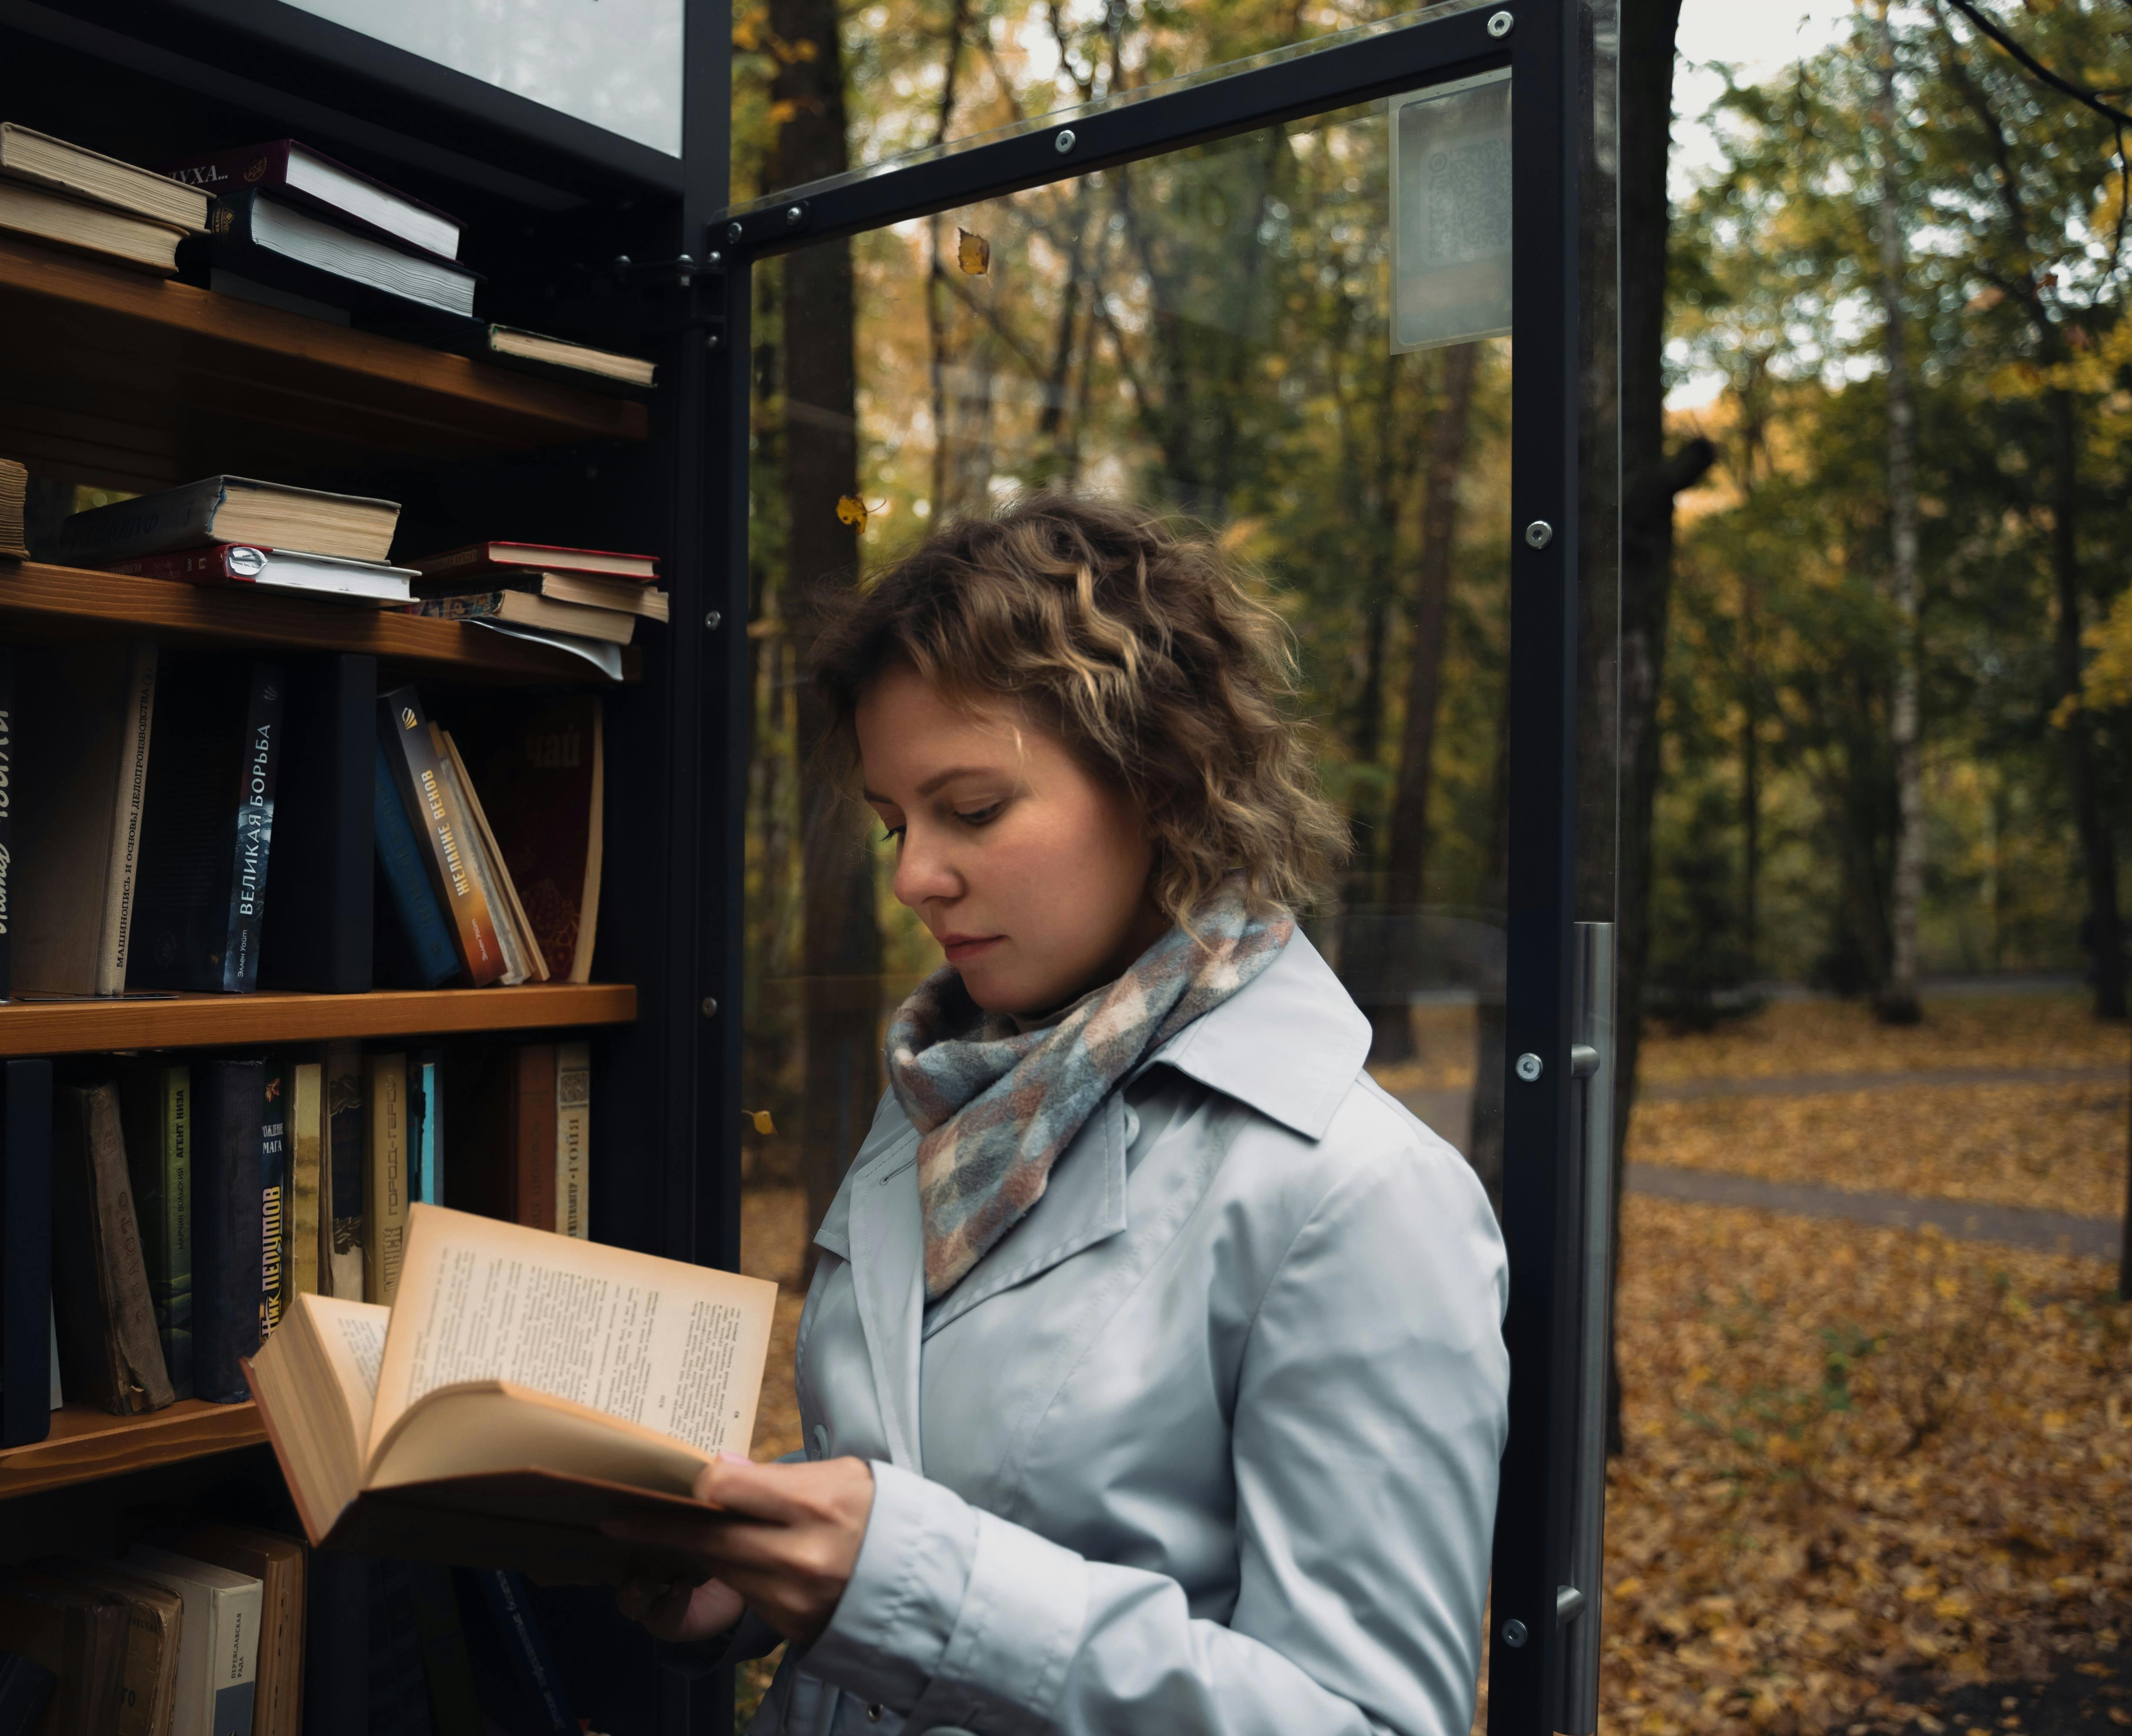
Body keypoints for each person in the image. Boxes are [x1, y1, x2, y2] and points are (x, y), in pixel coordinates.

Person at [611, 494, 1510, 1736]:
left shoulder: (1353, 1194)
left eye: (971, 810)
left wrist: (899, 1588)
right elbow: (945, 1498)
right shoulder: (943, 1099)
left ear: (1161, 778)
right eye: (894, 826)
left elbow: (1369, 1723)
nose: (918, 875)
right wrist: (763, 1586)